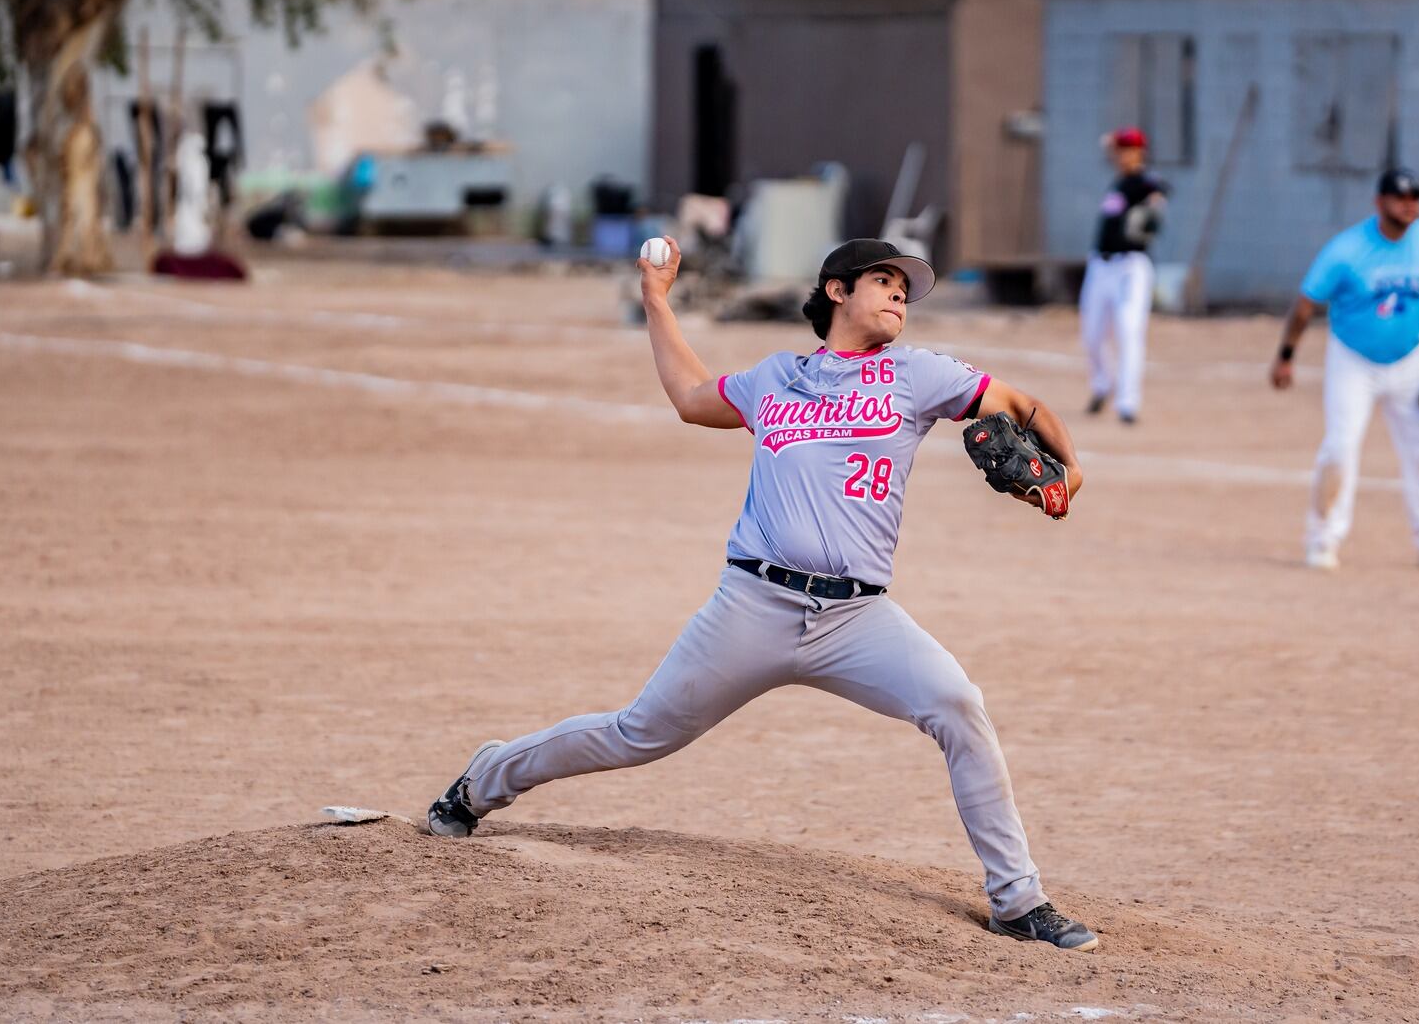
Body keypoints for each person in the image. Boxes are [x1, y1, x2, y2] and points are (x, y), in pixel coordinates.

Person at [426, 237, 1102, 952]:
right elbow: (692, 398)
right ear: (837, 290)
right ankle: (483, 778)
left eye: (906, 286)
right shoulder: (776, 378)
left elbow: (1023, 405)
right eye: (884, 279)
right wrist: (657, 299)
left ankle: (1017, 899)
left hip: (856, 615)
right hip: (753, 605)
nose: (901, 293)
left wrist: (1073, 474)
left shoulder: (919, 375)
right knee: (639, 733)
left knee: (958, 703)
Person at [1269, 167, 1419, 572]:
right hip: (1352, 361)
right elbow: (1306, 304)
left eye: (1416, 198)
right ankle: (1322, 539)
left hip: (1410, 358)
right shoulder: (1347, 249)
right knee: (1340, 447)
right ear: (1379, 203)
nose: (1410, 205)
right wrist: (1286, 355)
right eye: (1402, 198)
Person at [1080, 127, 1166, 424]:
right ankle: (1103, 385)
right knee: (1092, 334)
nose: (1119, 155)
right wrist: (1112, 141)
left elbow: (1159, 192)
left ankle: (1128, 403)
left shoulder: (1144, 182)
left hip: (1130, 267)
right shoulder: (1119, 182)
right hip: (1100, 266)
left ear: (1139, 152)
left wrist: (1153, 206)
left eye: (1125, 150)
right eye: (1118, 150)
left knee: (1129, 331)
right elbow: (1106, 142)